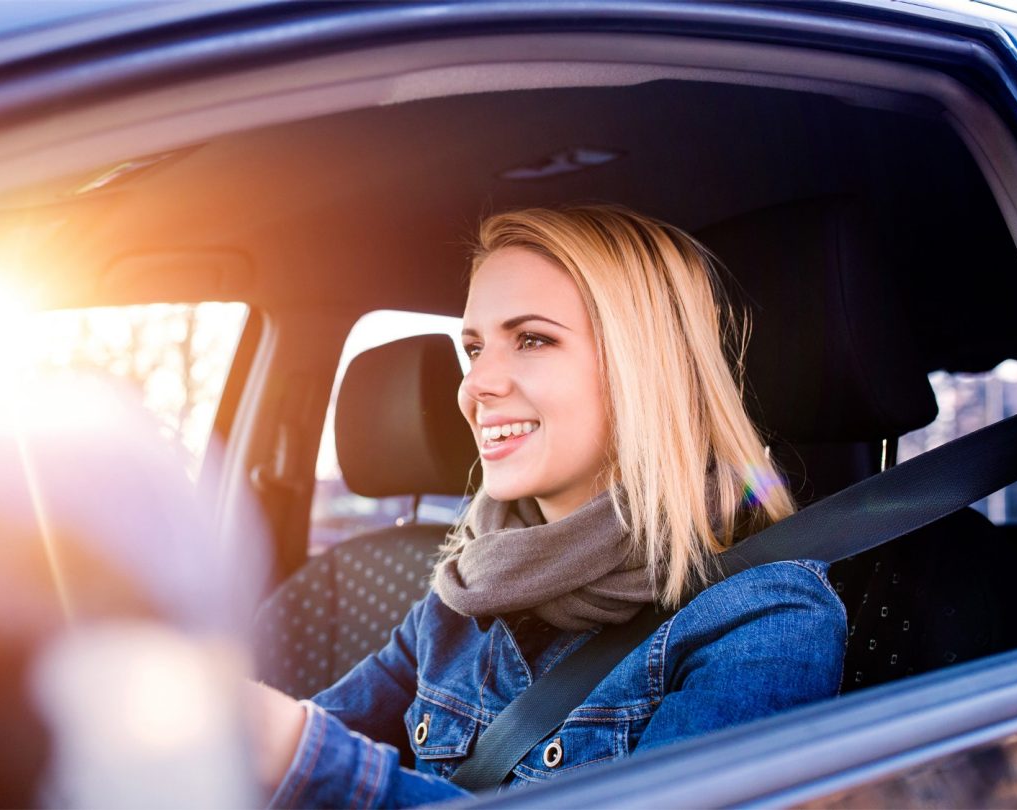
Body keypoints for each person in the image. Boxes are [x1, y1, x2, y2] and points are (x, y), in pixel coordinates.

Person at [249, 204, 847, 807]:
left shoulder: (763, 618)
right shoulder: (462, 597)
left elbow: (305, 756)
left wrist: (307, 758)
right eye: (475, 348)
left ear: (642, 371)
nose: (475, 384)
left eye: (532, 339)